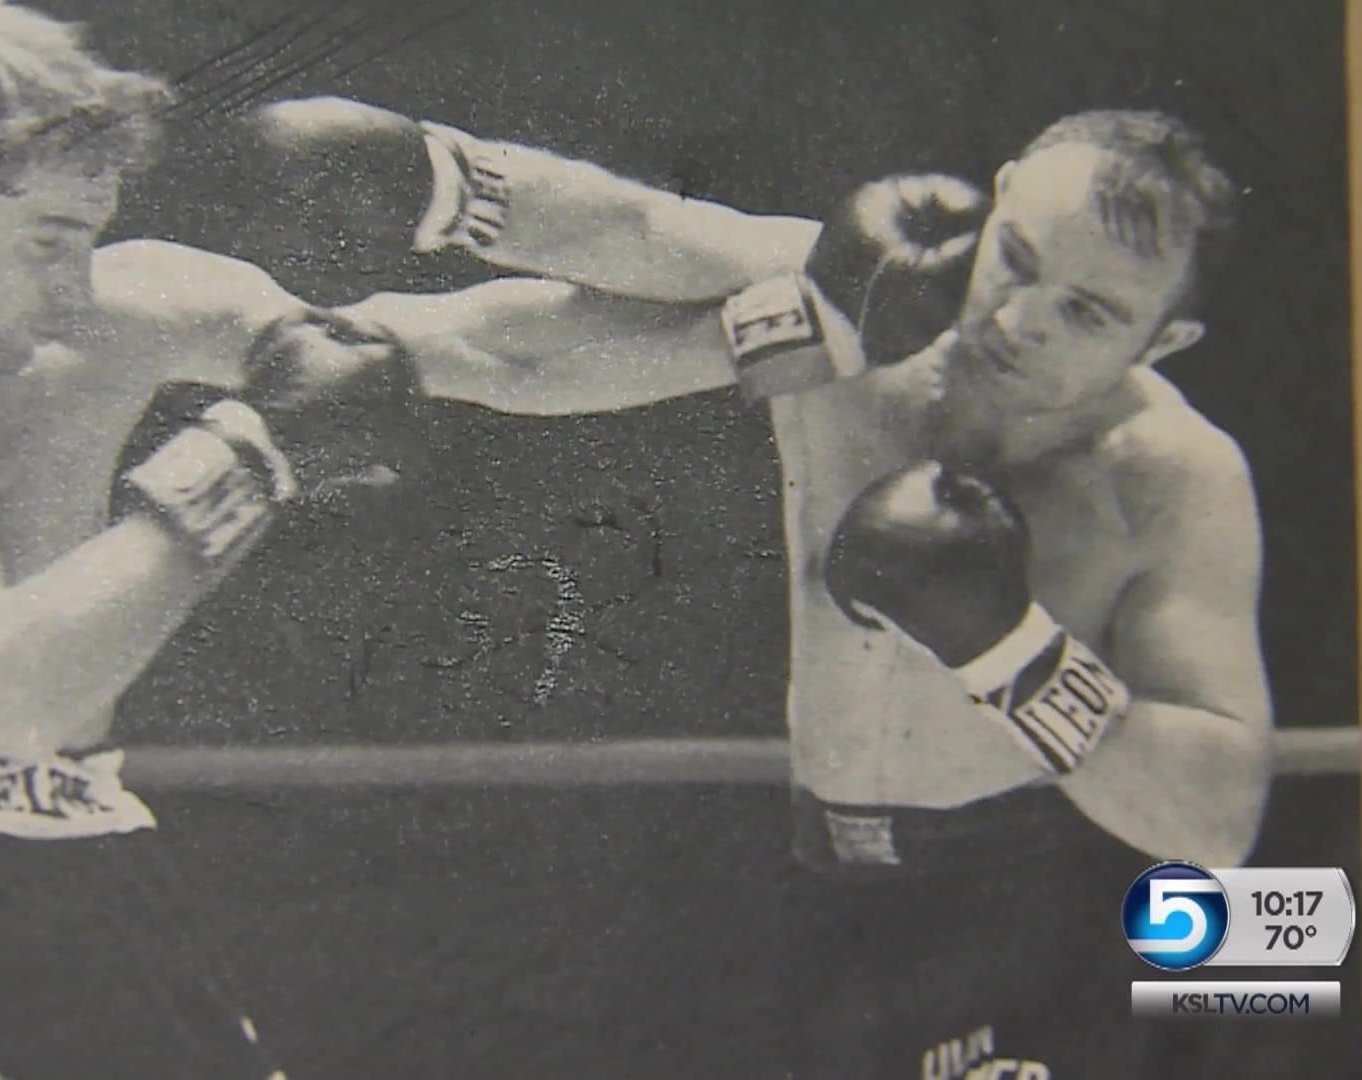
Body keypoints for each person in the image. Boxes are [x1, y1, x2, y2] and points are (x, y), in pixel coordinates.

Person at [0, 3, 740, 1076]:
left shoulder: (121, 309)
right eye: (46, 242)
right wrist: (251, 459)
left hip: (92, 854)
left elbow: (494, 355)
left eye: (89, 236)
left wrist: (803, 310)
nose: (73, 284)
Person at [247, 100, 1274, 1076]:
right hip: (802, 871)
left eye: (1090, 313)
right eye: (1018, 259)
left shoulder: (1170, 476)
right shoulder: (873, 300)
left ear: (1166, 340)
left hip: (1018, 901)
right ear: (997, 197)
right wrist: (434, 177)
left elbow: (1217, 817)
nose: (1022, 320)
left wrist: (1002, 643)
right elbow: (641, 233)